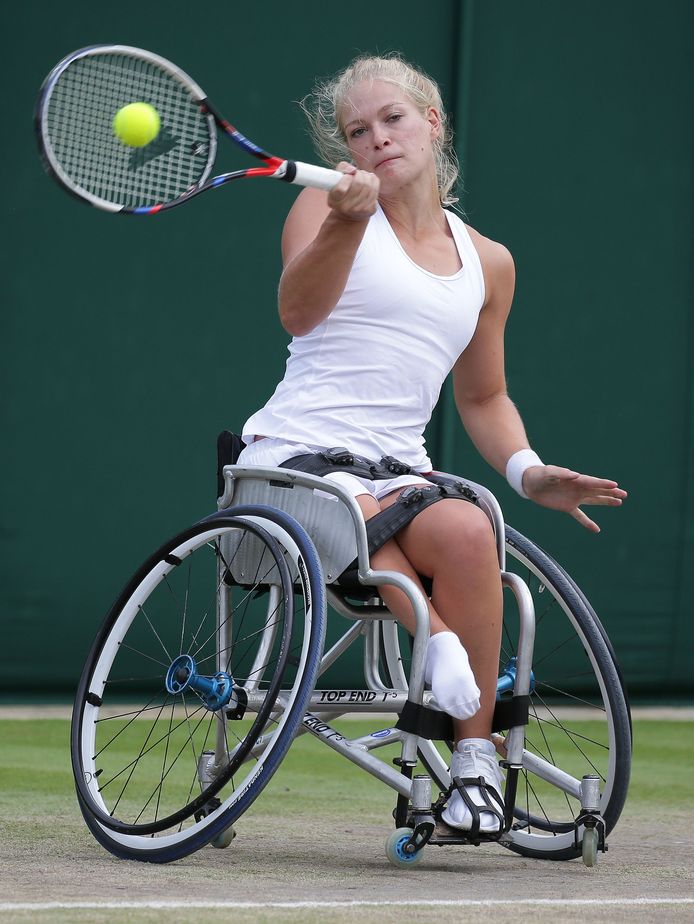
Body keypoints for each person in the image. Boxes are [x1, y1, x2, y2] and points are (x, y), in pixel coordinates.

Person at [236, 54, 627, 833]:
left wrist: (529, 471)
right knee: (361, 505)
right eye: (357, 130)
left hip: (396, 474)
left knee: (469, 525)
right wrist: (348, 220)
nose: (377, 138)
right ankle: (438, 642)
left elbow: (483, 396)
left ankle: (474, 766)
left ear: (433, 121)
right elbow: (297, 313)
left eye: (393, 119)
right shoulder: (324, 208)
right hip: (291, 465)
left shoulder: (489, 262)